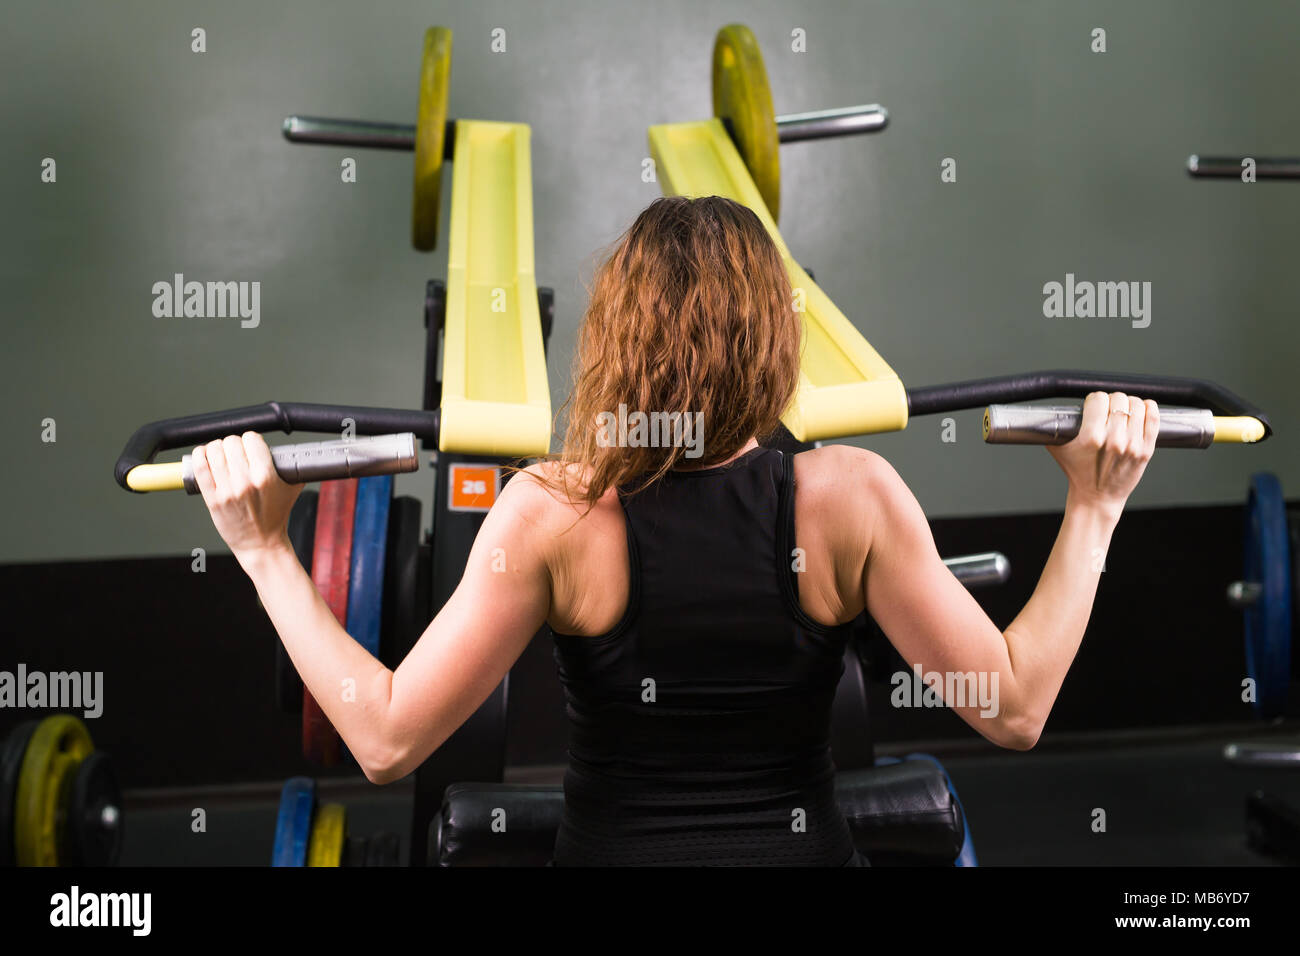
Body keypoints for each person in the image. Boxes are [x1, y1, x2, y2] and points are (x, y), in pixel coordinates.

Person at [193, 196, 1158, 866]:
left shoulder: (553, 512)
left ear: (615, 335)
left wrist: (266, 548)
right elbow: (1016, 709)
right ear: (776, 338)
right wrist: (1096, 504)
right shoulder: (851, 497)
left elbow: (385, 738)